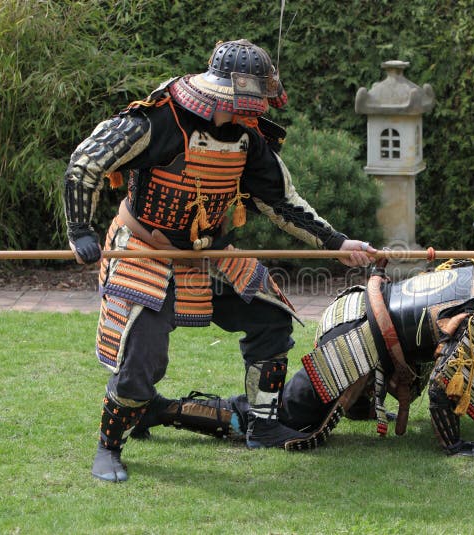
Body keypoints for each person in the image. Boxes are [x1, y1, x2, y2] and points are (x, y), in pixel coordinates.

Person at [62, 39, 376, 483]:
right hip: (144, 250)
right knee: (142, 355)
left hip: (208, 252)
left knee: (270, 316)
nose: (251, 110)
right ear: (221, 91)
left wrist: (337, 242)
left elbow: (281, 201)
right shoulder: (159, 118)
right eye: (245, 101)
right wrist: (80, 230)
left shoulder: (248, 136)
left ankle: (263, 425)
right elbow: (85, 163)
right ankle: (109, 446)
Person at [131, 259, 474, 456]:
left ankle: (162, 410)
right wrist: (453, 445)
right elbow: (444, 388)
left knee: (290, 414)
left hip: (361, 314)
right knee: (285, 422)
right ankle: (161, 410)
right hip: (356, 342)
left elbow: (463, 357)